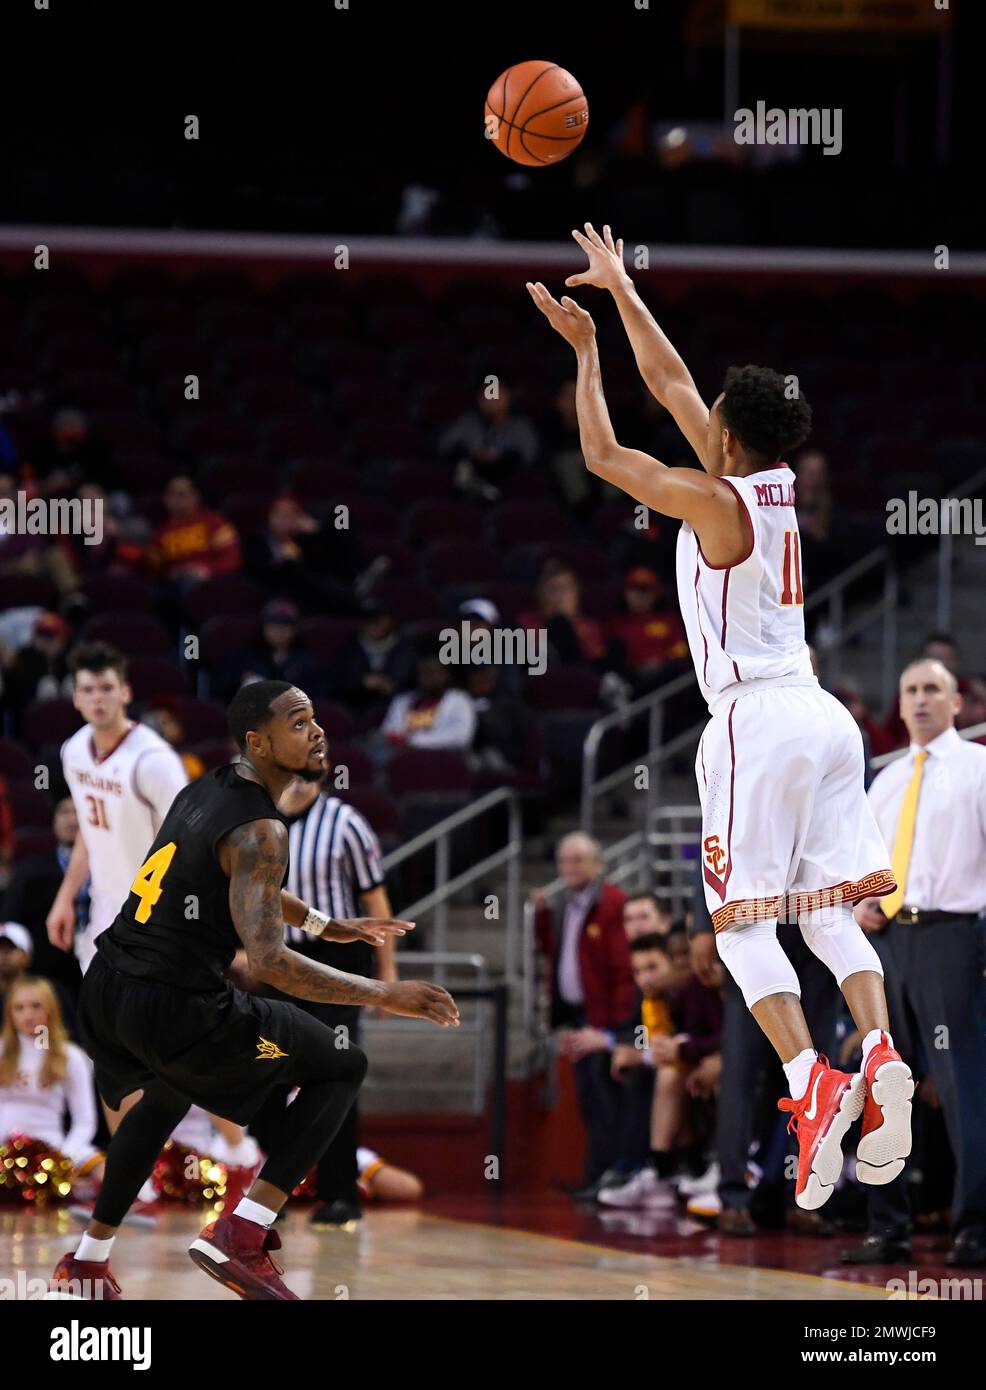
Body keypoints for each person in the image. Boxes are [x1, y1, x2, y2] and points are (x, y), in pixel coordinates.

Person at [529, 221, 910, 1215]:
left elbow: (604, 447)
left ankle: (809, 1082)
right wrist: (617, 291)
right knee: (825, 912)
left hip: (753, 719)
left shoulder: (708, 498)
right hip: (826, 716)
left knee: (739, 927)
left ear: (724, 438)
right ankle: (875, 1050)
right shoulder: (772, 481)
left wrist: (581, 352)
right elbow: (673, 384)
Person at [49, 679, 458, 1301]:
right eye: (299, 722)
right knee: (342, 1063)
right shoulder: (264, 829)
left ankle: (87, 1261)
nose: (317, 731)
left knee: (165, 1093)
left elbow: (243, 881)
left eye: (316, 717)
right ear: (258, 742)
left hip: (107, 990)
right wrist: (385, 993)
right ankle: (244, 1230)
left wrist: (325, 924)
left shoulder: (206, 788)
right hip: (175, 1004)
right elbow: (269, 963)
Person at [843, 659, 986, 1268]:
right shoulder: (886, 781)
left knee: (962, 1089)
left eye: (934, 690)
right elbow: (864, 871)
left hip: (954, 939)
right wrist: (862, 904)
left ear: (957, 704)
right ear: (898, 707)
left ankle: (975, 1225)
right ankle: (887, 1226)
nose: (922, 700)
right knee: (884, 1086)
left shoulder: (979, 771)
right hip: (889, 944)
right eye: (911, 691)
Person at [251, 765, 400, 1231]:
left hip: (337, 963)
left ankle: (339, 1194)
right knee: (266, 1071)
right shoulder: (259, 823)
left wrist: (387, 975)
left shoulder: (346, 822)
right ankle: (269, 1197)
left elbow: (376, 903)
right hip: (279, 961)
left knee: (336, 1071)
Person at [533, 832, 635, 1195]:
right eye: (564, 861)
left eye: (578, 860)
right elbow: (555, 953)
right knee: (588, 1102)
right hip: (578, 1016)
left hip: (606, 1021)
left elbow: (623, 971)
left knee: (607, 1100)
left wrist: (614, 1029)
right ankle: (596, 1179)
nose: (570, 868)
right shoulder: (563, 906)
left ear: (597, 864)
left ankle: (611, 1178)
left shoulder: (612, 903)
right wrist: (542, 919)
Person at [0, 975, 101, 1184]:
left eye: (36, 1006)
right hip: (3, 1150)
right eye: (19, 1008)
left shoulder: (70, 1056)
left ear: (51, 1009)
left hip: (52, 1150)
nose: (28, 1014)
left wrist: (62, 1157)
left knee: (104, 1167)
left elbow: (85, 1120)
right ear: (10, 1014)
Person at [4, 796, 86, 1003]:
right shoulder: (30, 872)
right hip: (47, 973)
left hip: (102, 966)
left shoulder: (114, 868)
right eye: (64, 812)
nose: (72, 820)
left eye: (78, 812)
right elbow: (10, 921)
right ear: (53, 820)